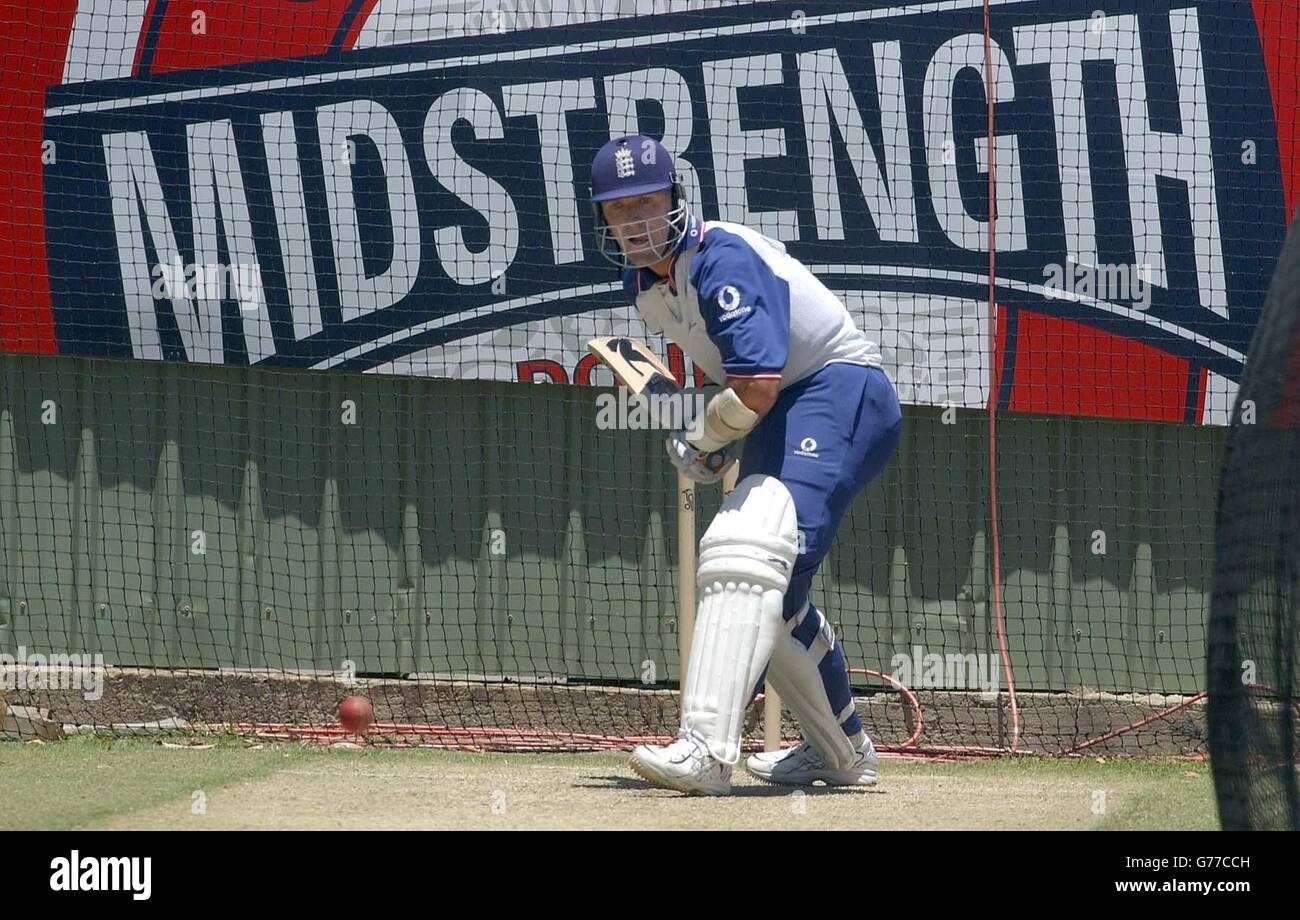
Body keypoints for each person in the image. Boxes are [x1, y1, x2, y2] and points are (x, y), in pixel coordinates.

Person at [590, 135, 903, 794]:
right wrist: (715, 436)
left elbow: (758, 385)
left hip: (837, 386)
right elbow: (743, 381)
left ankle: (706, 750)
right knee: (775, 596)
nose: (637, 222)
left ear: (676, 200)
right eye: (620, 211)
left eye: (648, 202)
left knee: (745, 545)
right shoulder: (645, 287)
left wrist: (704, 438)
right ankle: (841, 751)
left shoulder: (720, 258)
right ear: (605, 223)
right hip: (787, 403)